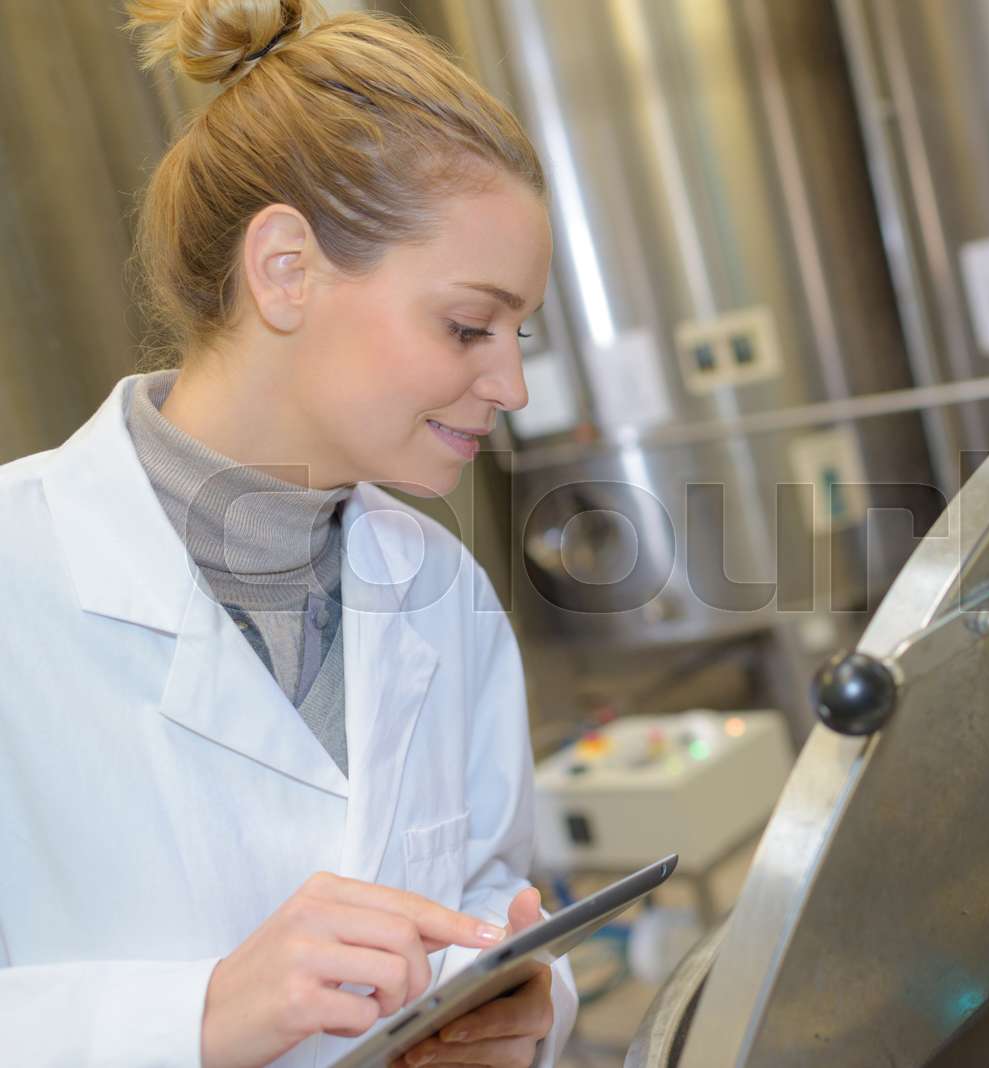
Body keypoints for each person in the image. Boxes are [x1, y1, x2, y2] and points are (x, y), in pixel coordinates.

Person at [0, 1, 576, 1064]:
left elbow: (490, 898)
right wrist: (197, 1019)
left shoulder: (438, 586)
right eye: (466, 326)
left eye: (517, 333)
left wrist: (517, 1011)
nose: (511, 384)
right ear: (286, 271)